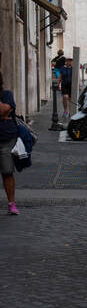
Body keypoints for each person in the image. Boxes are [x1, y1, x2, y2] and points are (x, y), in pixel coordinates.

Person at [0, 70, 18, 215]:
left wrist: (3, 113)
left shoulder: (6, 95)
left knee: (7, 171)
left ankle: (11, 203)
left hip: (6, 139)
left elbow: (4, 110)